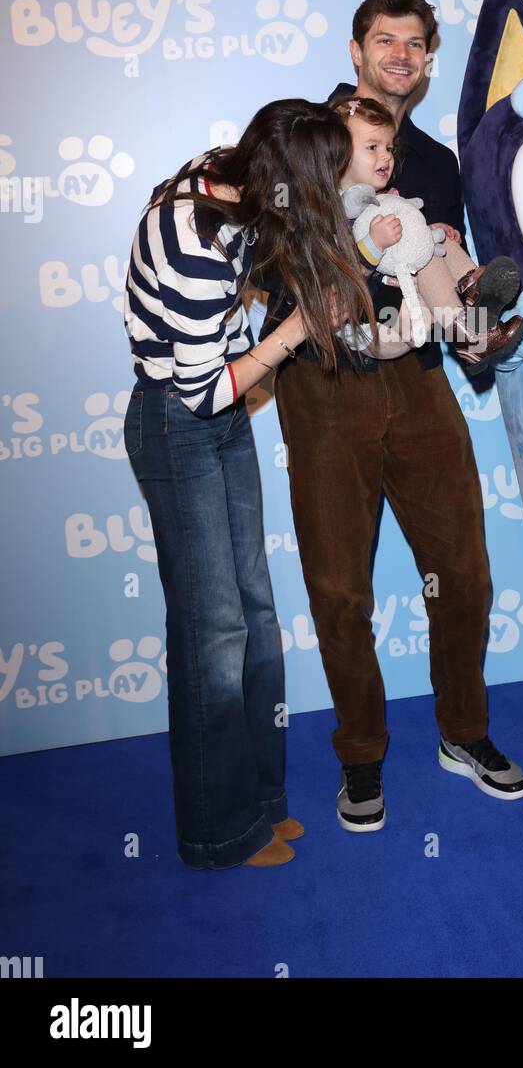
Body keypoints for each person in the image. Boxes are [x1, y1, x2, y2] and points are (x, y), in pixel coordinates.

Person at [263, 0, 523, 834]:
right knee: (340, 588)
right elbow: (269, 260)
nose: (401, 56)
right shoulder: (302, 141)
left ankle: (465, 734)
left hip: (417, 376)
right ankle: (362, 756)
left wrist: (469, 329)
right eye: (385, 40)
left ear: (426, 57)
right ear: (355, 49)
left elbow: (435, 269)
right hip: (322, 383)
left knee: (465, 570)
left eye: (415, 43)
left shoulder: (436, 161)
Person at [122, 99, 376, 869]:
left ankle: (262, 804)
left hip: (221, 419)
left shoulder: (235, 190)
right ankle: (216, 831)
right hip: (179, 425)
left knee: (256, 617)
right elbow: (200, 393)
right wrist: (295, 332)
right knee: (213, 632)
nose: (333, 193)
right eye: (325, 179)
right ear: (283, 180)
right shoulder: (193, 236)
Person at [333, 94, 523, 372]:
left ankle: (474, 290)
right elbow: (337, 271)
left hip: (412, 309)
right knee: (422, 253)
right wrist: (374, 243)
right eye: (372, 147)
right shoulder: (334, 209)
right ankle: (468, 337)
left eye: (389, 148)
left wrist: (432, 232)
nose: (386, 156)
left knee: (436, 240)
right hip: (373, 323)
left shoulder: (389, 198)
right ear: (338, 153)